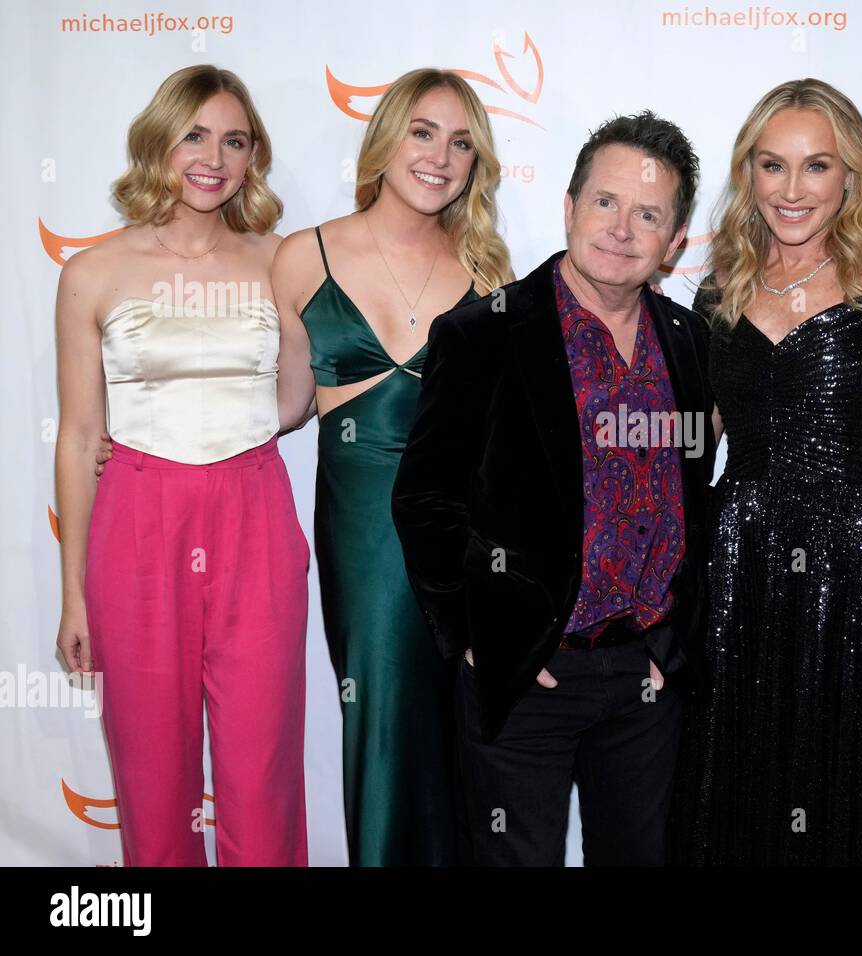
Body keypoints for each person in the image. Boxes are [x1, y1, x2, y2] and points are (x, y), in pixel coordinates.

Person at [391, 111, 716, 866]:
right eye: (605, 202)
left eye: (648, 214)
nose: (621, 229)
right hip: (529, 669)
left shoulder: (688, 339)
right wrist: (477, 635)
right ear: (568, 207)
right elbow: (425, 500)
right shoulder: (483, 333)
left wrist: (675, 642)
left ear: (673, 243)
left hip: (646, 674)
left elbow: (693, 491)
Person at [668, 78, 862, 865]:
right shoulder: (719, 290)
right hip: (737, 571)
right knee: (736, 792)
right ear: (748, 174)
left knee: (849, 800)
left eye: (816, 166)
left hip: (858, 572)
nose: (793, 190)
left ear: (849, 175)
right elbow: (693, 452)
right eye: (772, 165)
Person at [55, 65, 308, 866]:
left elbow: (300, 396)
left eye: (235, 139)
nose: (214, 156)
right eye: (194, 134)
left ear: (253, 156)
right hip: (135, 522)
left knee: (260, 770)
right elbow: (76, 434)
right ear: (158, 140)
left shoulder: (283, 262)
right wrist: (73, 595)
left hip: (255, 510)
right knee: (151, 777)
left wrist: (236, 430)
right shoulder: (92, 272)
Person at [271, 69, 511, 866]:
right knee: (379, 725)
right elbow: (285, 404)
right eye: (423, 132)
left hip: (460, 538)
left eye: (462, 141)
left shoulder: (491, 275)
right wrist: (139, 426)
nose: (440, 156)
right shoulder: (302, 257)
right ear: (386, 139)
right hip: (366, 537)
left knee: (458, 735)